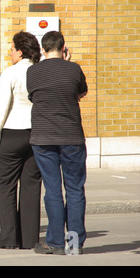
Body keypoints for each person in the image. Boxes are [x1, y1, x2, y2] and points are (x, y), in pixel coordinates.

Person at [26, 31, 88, 255]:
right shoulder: (74, 69)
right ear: (64, 48)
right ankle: (74, 243)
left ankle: (54, 242)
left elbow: (34, 96)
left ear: (42, 49)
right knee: (74, 189)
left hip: (43, 138)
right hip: (71, 136)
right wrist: (68, 64)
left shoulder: (32, 71)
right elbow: (80, 93)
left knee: (52, 190)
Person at [0, 31, 42, 250]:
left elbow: (1, 107)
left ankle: (9, 238)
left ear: (20, 51)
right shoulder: (40, 71)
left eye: (11, 50)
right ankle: (30, 239)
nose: (9, 53)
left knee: (6, 186)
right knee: (31, 187)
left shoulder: (10, 73)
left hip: (12, 132)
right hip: (35, 133)